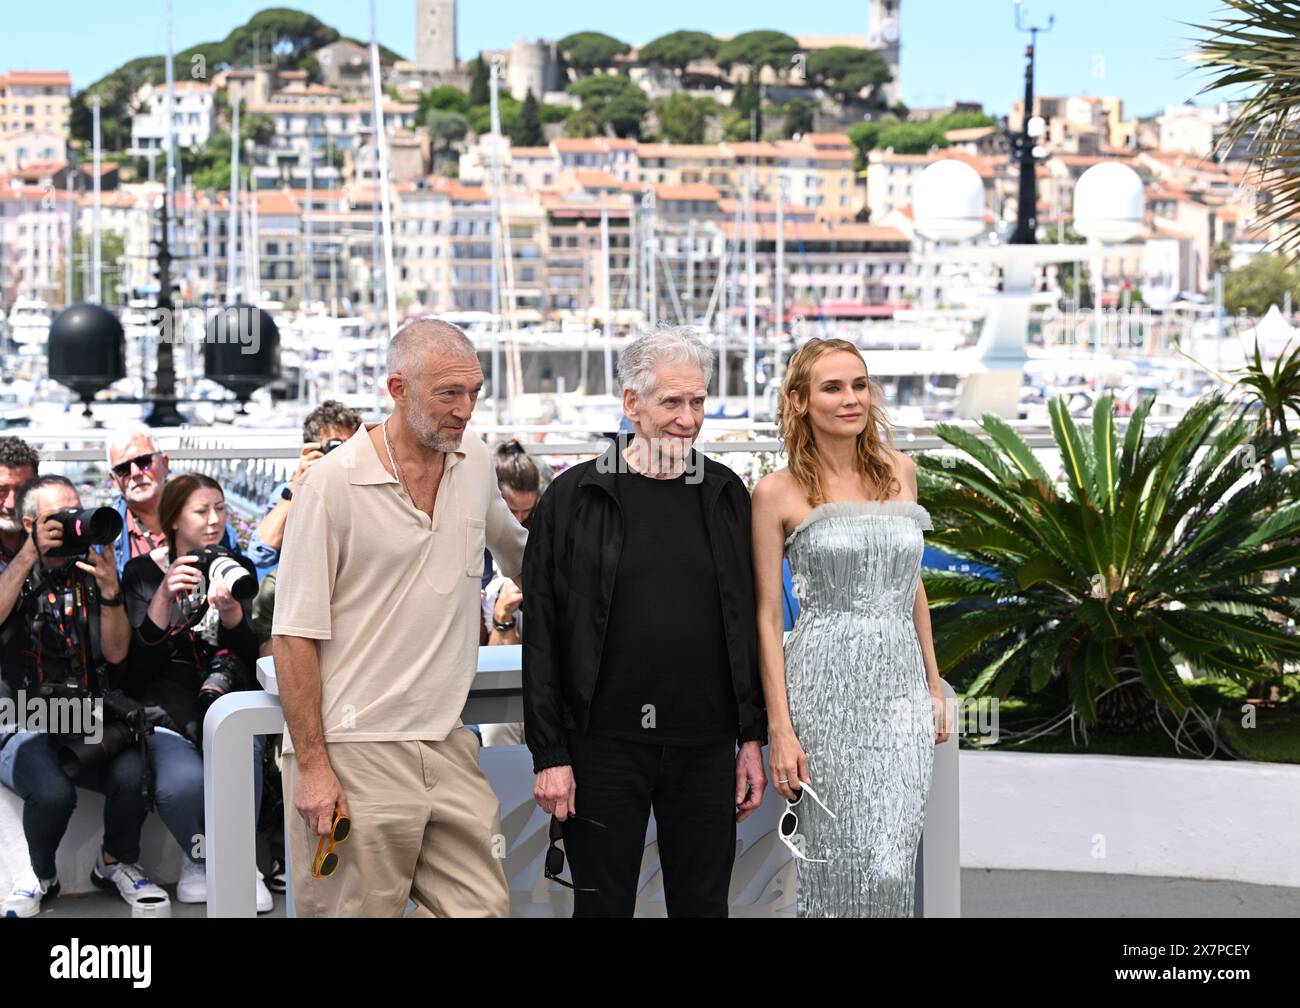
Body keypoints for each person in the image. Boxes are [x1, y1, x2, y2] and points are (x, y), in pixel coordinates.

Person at [273, 318, 527, 918]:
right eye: (448, 394)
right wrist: (313, 768)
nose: (465, 409)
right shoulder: (330, 486)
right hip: (352, 749)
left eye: (474, 393)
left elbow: (528, 558)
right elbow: (292, 636)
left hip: (447, 744)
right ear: (398, 389)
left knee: (485, 910)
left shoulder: (475, 461)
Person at [524, 327, 767, 918]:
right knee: (602, 910)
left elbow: (748, 620)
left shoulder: (724, 493)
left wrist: (750, 738)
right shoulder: (574, 496)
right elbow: (544, 633)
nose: (688, 419)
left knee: (704, 907)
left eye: (698, 401)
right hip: (602, 748)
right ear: (631, 404)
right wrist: (550, 754)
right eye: (672, 403)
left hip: (706, 747)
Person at [750, 337, 951, 918]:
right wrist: (780, 729)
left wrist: (932, 684)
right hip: (821, 691)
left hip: (899, 692)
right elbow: (767, 616)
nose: (851, 399)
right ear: (798, 401)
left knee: (891, 863)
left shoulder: (901, 472)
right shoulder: (775, 492)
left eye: (859, 385)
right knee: (833, 864)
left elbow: (912, 584)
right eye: (833, 387)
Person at [0, 475, 171, 917]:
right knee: (53, 794)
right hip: (23, 715)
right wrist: (28, 554)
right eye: (60, 517)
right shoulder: (12, 566)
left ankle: (114, 864)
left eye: (76, 510)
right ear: (29, 522)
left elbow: (116, 653)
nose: (73, 523)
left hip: (83, 714)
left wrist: (111, 591)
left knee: (132, 770)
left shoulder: (90, 572)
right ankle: (41, 876)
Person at [120, 472, 272, 913]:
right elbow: (136, 670)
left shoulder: (231, 562)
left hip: (225, 702)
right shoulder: (142, 572)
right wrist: (165, 596)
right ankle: (202, 859)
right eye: (201, 511)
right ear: (173, 519)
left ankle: (241, 866)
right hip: (166, 708)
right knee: (179, 787)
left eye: (220, 509)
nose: (214, 520)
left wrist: (230, 614)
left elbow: (249, 654)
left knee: (243, 763)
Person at [248, 400, 363, 656]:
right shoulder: (292, 491)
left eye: (352, 446)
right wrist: (298, 486)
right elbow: (260, 551)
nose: (344, 455)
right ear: (314, 450)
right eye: (335, 446)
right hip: (301, 602)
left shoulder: (370, 490)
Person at [105, 424, 237, 577]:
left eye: (144, 461)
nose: (135, 473)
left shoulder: (214, 527)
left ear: (165, 463)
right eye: (123, 469)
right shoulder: (106, 533)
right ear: (114, 480)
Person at [476, 439, 541, 749]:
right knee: (498, 726)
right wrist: (502, 617)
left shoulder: (546, 535)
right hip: (489, 663)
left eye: (527, 512)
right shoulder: (475, 543)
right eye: (511, 511)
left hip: (540, 666)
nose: (518, 521)